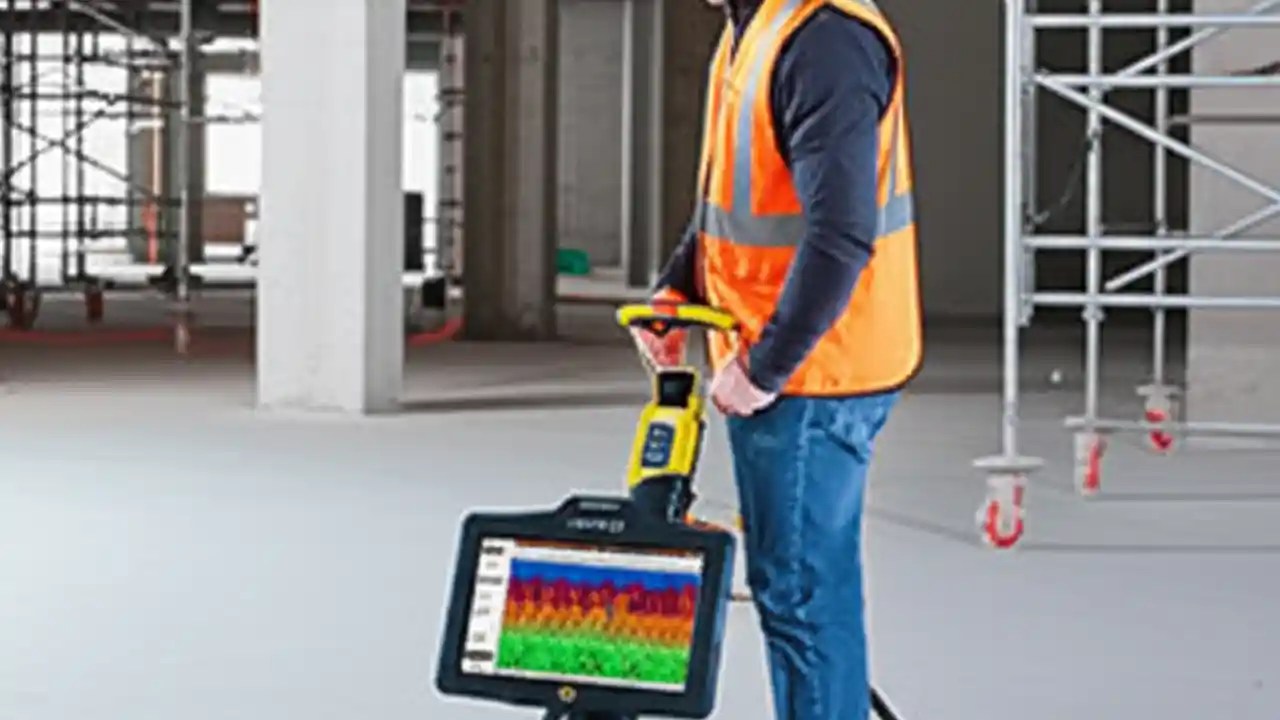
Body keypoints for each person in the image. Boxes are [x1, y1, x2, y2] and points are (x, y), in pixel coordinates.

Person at [629, 1, 923, 719]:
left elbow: (841, 234)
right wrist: (678, 285)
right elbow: (737, 198)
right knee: (797, 586)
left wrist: (764, 369)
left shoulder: (823, 43)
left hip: (815, 374)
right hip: (781, 362)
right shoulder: (754, 26)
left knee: (799, 595)